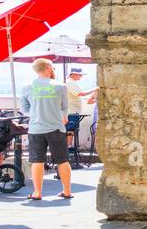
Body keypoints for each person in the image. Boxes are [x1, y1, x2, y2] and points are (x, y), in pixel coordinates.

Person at [19, 58, 72, 201]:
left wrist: (34, 114)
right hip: (56, 128)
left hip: (36, 129)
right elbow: (64, 107)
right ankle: (67, 191)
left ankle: (37, 192)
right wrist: (64, 117)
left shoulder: (26, 87)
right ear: (48, 68)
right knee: (62, 160)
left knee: (37, 161)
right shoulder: (61, 86)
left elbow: (23, 109)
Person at [65, 67, 95, 154]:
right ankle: (69, 147)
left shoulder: (70, 82)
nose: (81, 76)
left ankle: (68, 146)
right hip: (71, 110)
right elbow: (80, 93)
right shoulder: (71, 83)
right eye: (80, 75)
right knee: (70, 129)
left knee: (71, 129)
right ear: (74, 74)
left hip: (71, 110)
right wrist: (95, 89)